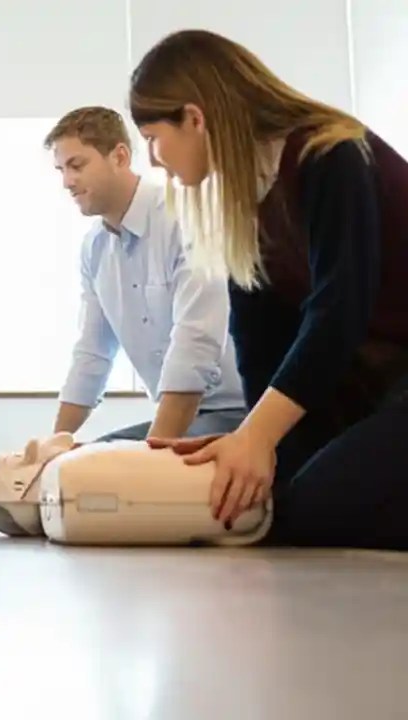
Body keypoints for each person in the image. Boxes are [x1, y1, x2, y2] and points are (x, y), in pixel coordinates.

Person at [131, 29, 408, 550]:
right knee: (269, 502)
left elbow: (338, 314)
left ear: (194, 118)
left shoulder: (331, 154)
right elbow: (259, 344)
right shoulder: (248, 200)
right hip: (373, 386)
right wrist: (254, 445)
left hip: (391, 379)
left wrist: (257, 436)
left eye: (152, 136)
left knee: (315, 511)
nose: (152, 158)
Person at [45, 106, 246, 442]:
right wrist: (52, 446)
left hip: (238, 412)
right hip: (182, 415)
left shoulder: (184, 218)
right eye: (61, 169)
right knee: (72, 464)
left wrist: (150, 454)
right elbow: (92, 353)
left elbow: (194, 344)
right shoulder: (95, 248)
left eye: (77, 166)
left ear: (120, 157)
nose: (67, 182)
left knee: (110, 466)